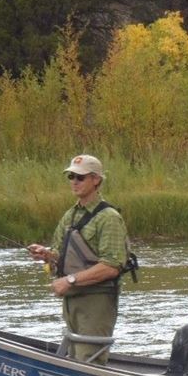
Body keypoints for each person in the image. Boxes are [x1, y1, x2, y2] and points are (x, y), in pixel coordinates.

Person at [28, 154, 130, 364]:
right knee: (74, 358)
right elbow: (60, 252)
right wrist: (47, 255)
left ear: (96, 180)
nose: (74, 181)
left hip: (96, 302)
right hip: (72, 301)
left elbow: (112, 266)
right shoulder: (70, 215)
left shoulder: (109, 218)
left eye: (80, 177)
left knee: (89, 361)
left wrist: (69, 281)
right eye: (71, 176)